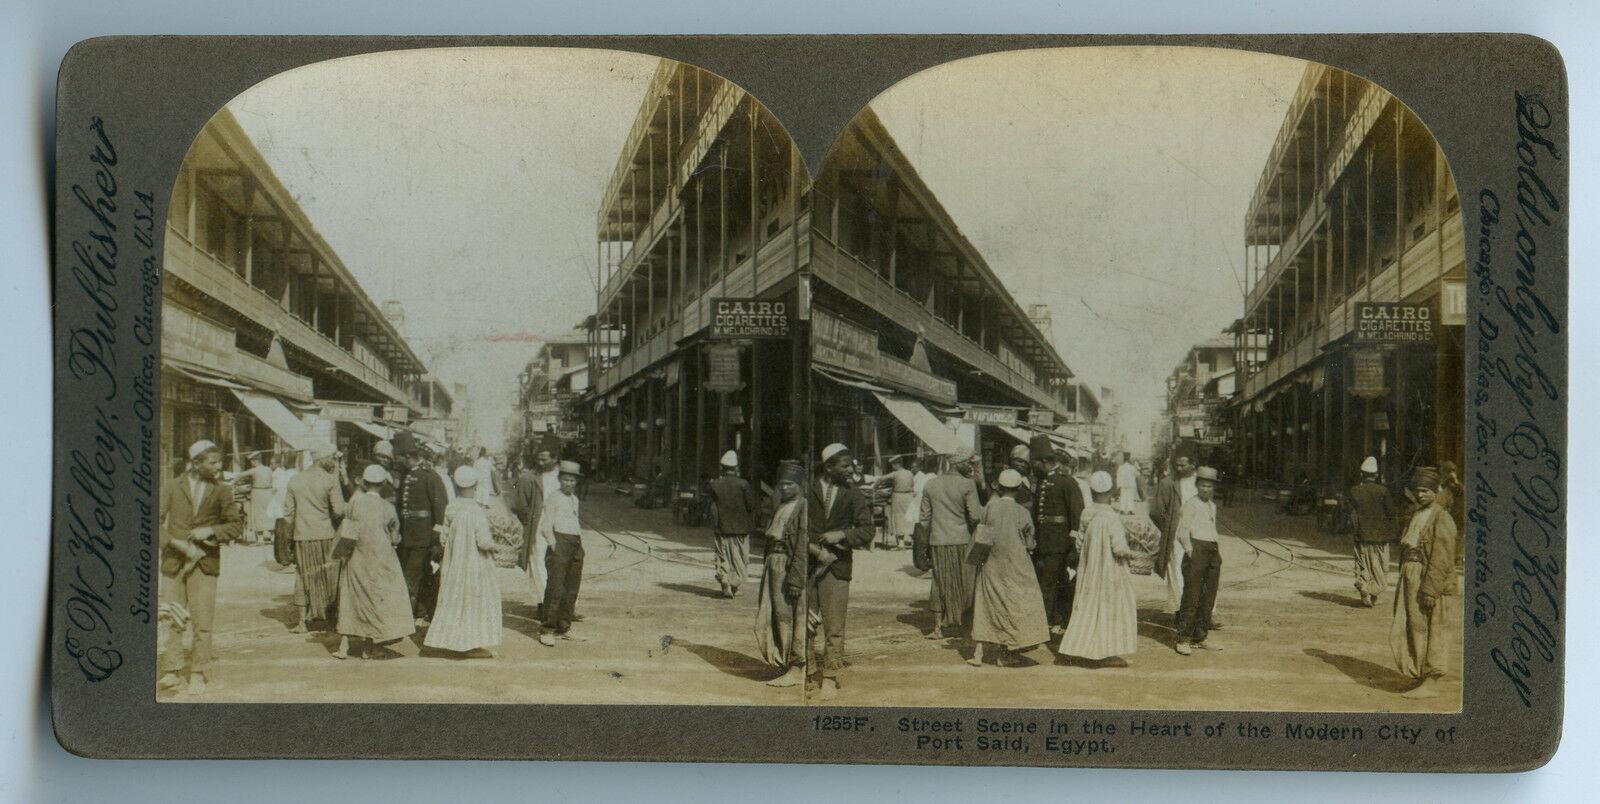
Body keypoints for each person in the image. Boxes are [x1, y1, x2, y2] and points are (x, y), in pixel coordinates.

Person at [157, 439, 243, 694]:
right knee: (171, 617)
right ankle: (171, 670)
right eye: (212, 462)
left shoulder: (222, 490)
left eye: (219, 461)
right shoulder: (172, 486)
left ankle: (197, 671)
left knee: (202, 620)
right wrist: (178, 544)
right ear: (195, 464)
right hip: (173, 562)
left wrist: (210, 531)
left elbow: (235, 525)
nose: (218, 467)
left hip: (205, 564)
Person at [807, 443, 875, 699]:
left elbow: (868, 530)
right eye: (845, 466)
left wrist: (842, 535)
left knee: (834, 625)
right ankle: (808, 670)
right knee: (806, 623)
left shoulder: (854, 495)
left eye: (851, 465)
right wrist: (813, 547)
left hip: (837, 566)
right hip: (809, 566)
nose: (851, 470)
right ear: (828, 467)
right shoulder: (808, 490)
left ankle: (830, 676)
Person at [965, 469, 1049, 667]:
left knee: (986, 604)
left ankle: (978, 653)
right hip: (1016, 566)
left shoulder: (988, 509)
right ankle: (1006, 652)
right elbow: (1030, 543)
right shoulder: (1023, 513)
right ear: (1019, 488)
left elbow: (982, 534)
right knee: (1014, 605)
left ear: (999, 487)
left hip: (991, 563)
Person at [332, 464, 414, 660]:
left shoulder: (354, 503)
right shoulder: (388, 508)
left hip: (357, 557)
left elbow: (348, 531)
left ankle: (343, 647)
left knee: (352, 598)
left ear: (365, 483)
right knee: (375, 599)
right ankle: (369, 647)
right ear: (384, 483)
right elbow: (395, 538)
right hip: (381, 560)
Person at [1390, 467, 1459, 699]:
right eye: (1417, 491)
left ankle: (1431, 681)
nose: (1420, 495)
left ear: (1436, 491)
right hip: (1412, 578)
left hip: (1431, 582)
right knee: (1415, 626)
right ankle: (1421, 676)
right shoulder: (1418, 513)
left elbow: (1443, 556)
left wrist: (1430, 589)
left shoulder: (1442, 517)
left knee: (1435, 628)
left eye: (1425, 491)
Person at [1058, 471, 1138, 662]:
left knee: (1086, 607)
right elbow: (1119, 548)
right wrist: (1131, 554)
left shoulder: (1087, 512)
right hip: (1110, 572)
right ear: (1111, 492)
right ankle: (1104, 653)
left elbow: (1079, 541)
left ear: (1092, 493)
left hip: (1089, 571)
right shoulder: (1112, 517)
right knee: (1110, 608)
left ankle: (1080, 649)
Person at [424, 466, 502, 656]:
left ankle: (450, 641)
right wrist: (497, 546)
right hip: (475, 566)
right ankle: (471, 645)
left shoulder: (451, 507)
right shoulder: (478, 511)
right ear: (475, 485)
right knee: (474, 602)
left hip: (454, 565)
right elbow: (483, 542)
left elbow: (444, 537)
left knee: (453, 599)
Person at [281, 443, 347, 633]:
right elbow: (340, 510)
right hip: (326, 534)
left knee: (303, 575)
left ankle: (302, 622)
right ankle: (331, 620)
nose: (334, 463)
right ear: (325, 459)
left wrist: (290, 536)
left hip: (302, 536)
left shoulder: (295, 479)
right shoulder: (330, 480)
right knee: (330, 575)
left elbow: (288, 514)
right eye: (333, 459)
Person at [917, 448, 982, 640]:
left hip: (938, 541)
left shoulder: (931, 484)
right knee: (967, 582)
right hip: (962, 540)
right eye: (969, 463)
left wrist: (923, 547)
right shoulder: (968, 485)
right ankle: (966, 626)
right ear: (958, 463)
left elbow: (924, 520)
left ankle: (937, 628)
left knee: (939, 581)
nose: (971, 467)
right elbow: (976, 516)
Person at [754, 460, 808, 687]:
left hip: (788, 566)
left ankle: (796, 667)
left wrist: (796, 578)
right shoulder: (781, 506)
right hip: (773, 566)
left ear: (800, 484)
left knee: (790, 617)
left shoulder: (802, 507)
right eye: (781, 485)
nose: (784, 488)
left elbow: (802, 545)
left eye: (789, 484)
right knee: (774, 614)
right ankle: (786, 663)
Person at [1031, 436, 1084, 638]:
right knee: (1051, 581)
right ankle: (1056, 619)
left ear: (1043, 460)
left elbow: (1076, 515)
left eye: (1035, 462)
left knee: (1050, 583)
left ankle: (1050, 622)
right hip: (1044, 541)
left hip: (1059, 542)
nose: (1033, 466)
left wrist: (1072, 545)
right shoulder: (1043, 481)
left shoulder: (1066, 482)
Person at [394, 432, 450, 625]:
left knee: (411, 576)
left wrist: (435, 539)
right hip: (407, 536)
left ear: (407, 455)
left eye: (398, 456)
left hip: (423, 537)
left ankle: (405, 618)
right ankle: (423, 613)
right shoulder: (406, 475)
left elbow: (441, 510)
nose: (397, 460)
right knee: (420, 575)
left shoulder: (430, 476)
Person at [1173, 466, 1224, 656]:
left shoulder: (1212, 506)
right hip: (1196, 551)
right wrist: (1190, 551)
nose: (1205, 489)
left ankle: (1200, 636)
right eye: (1202, 486)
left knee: (1208, 596)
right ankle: (1183, 638)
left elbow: (1212, 531)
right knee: (1192, 596)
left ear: (1213, 488)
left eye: (1209, 486)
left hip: (1212, 551)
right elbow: (1182, 533)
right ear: (1197, 486)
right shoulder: (1190, 505)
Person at [536, 461, 587, 646]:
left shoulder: (575, 499)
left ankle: (564, 627)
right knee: (556, 588)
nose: (569, 483)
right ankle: (547, 629)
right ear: (559, 480)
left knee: (571, 589)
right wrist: (554, 545)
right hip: (560, 544)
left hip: (575, 544)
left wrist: (578, 547)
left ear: (576, 482)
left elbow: (575, 524)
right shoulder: (553, 498)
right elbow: (545, 527)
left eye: (572, 480)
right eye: (565, 480)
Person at [1149, 452, 1198, 615]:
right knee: (1177, 569)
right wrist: (1169, 526)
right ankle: (1180, 609)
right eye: (1177, 465)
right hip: (1177, 534)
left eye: (1183, 464)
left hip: (1199, 534)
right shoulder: (1168, 483)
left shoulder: (1200, 482)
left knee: (1201, 570)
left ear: (1193, 465)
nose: (1179, 468)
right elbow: (1156, 511)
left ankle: (1202, 612)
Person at [708, 450, 758, 598]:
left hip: (721, 528)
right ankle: (735, 583)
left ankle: (724, 579)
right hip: (741, 529)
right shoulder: (744, 484)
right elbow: (751, 505)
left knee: (722, 555)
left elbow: (712, 506)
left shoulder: (714, 485)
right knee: (740, 557)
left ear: (722, 468)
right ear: (736, 469)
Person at [1348, 456, 1396, 607]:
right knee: (1380, 566)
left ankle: (1363, 585)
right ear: (1376, 475)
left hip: (1361, 535)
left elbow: (1350, 512)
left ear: (1362, 474)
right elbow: (1391, 513)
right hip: (1381, 537)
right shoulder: (1383, 491)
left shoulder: (1354, 491)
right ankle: (1374, 591)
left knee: (1363, 563)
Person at [516, 448, 560, 608]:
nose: (540, 463)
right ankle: (544, 603)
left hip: (560, 527)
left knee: (561, 564)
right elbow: (520, 506)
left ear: (555, 459)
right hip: (539, 527)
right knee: (539, 562)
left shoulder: (563, 477)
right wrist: (530, 521)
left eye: (544, 459)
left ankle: (565, 606)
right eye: (538, 459)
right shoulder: (530, 478)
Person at [876, 455, 917, 549]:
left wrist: (875, 486)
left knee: (898, 519)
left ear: (897, 464)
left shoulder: (895, 474)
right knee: (910, 519)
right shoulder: (910, 473)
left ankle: (901, 542)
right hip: (909, 496)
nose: (892, 467)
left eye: (893, 465)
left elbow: (881, 479)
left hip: (898, 496)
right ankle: (914, 541)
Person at [239, 452, 274, 545]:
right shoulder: (268, 469)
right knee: (269, 514)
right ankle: (272, 537)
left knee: (257, 514)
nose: (251, 463)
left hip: (258, 492)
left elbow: (240, 475)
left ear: (255, 461)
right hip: (268, 492)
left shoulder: (254, 470)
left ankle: (260, 538)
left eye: (251, 461)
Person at [1008, 444, 1035, 511]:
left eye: (1026, 463)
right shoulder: (1007, 476)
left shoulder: (1031, 479)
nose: (1023, 465)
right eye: (1020, 461)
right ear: (1012, 461)